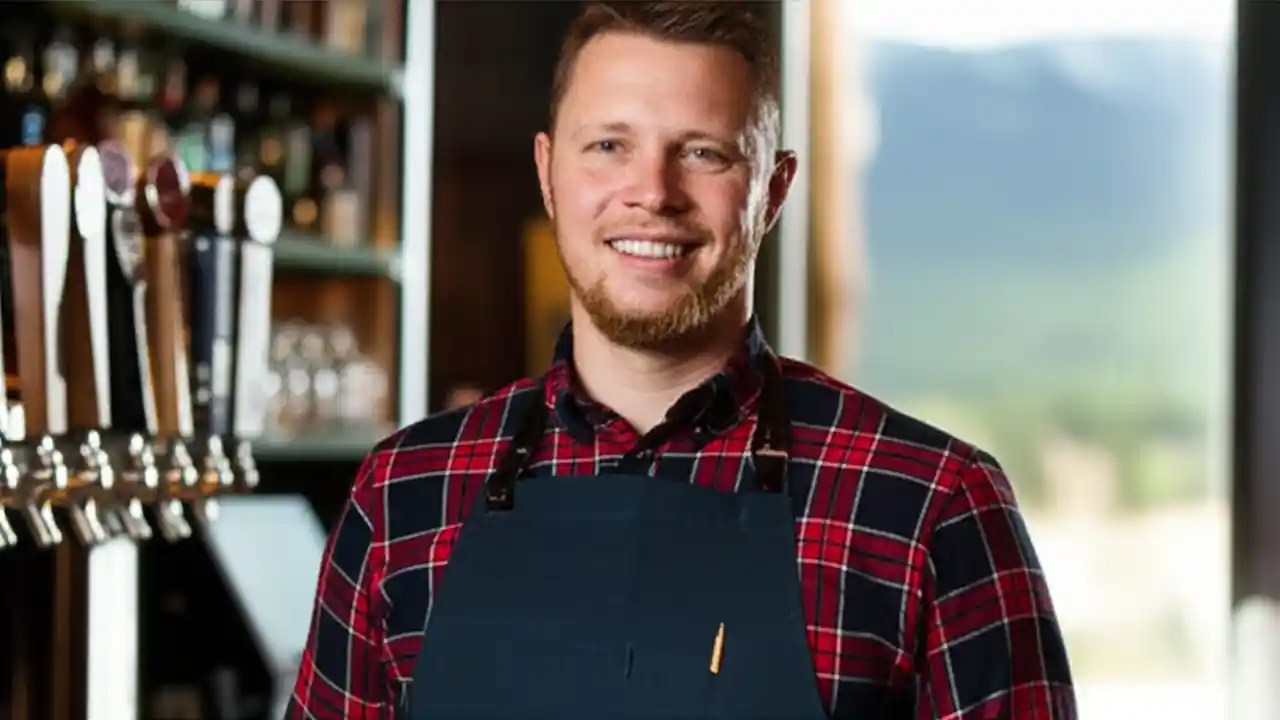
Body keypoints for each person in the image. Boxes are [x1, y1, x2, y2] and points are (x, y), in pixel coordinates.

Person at [286, 2, 1076, 718]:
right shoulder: (401, 498)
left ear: (773, 188)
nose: (651, 192)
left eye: (702, 153)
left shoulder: (929, 506)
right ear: (547, 172)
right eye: (608, 146)